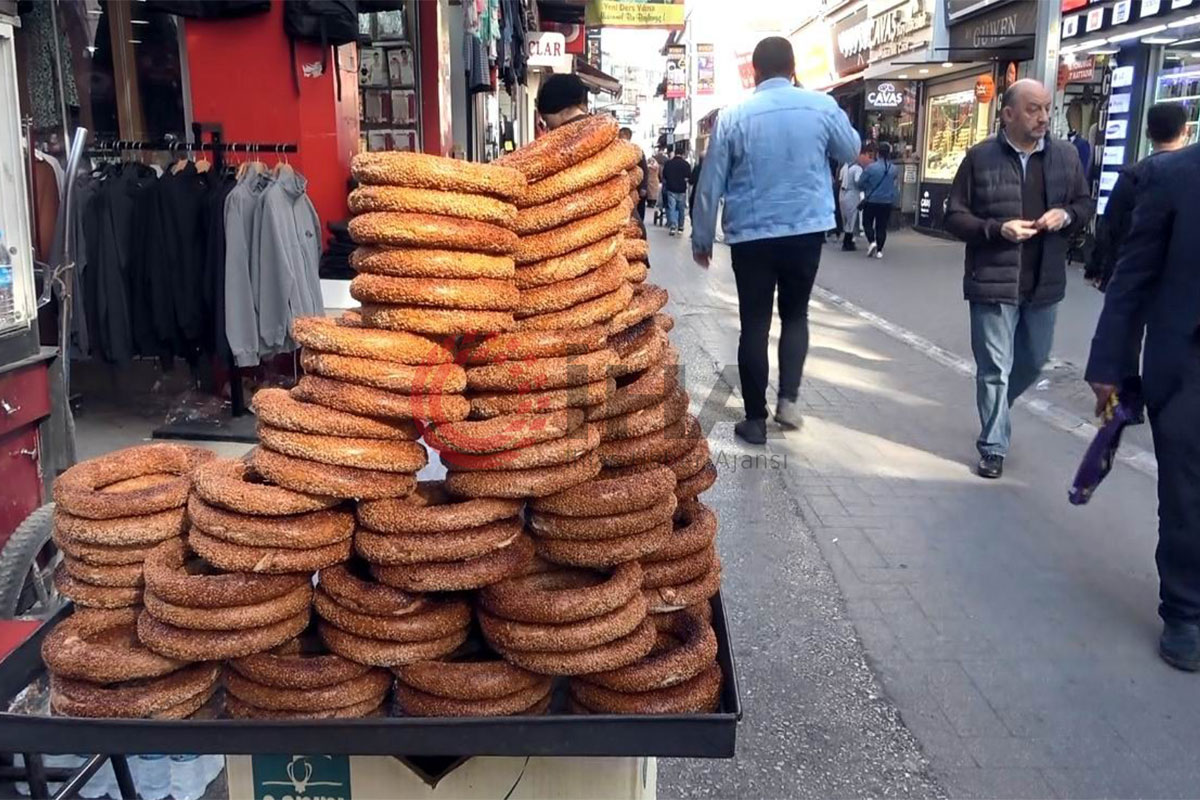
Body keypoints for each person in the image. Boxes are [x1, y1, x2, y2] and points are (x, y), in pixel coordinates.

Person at [691, 36, 860, 444]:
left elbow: (711, 181)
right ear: (793, 67)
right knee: (796, 315)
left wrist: (701, 237)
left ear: (756, 72)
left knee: (754, 322)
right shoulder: (822, 106)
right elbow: (851, 149)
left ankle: (754, 419)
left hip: (751, 235)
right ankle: (788, 402)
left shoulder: (733, 116)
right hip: (805, 231)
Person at [1085, 143, 1200, 672]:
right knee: (1186, 494)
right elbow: (1131, 281)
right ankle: (1185, 610)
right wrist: (1111, 365)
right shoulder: (1172, 177)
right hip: (1187, 368)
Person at [944, 78, 1093, 479]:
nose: (1044, 116)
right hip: (992, 278)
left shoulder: (1065, 156)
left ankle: (994, 407)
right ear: (1008, 114)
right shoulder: (980, 158)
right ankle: (993, 445)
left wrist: (1067, 216)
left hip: (1044, 280)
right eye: (1033, 109)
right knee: (994, 366)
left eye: (1047, 108)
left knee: (1033, 360)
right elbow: (954, 215)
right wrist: (996, 230)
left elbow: (1084, 204)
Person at [1086, 103, 1189, 292]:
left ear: (1148, 133)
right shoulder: (1192, 177)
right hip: (1180, 280)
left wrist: (1096, 267)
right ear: (1186, 131)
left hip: (1131, 272)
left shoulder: (1132, 176)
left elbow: (1108, 226)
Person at [857, 141, 899, 259]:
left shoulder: (871, 168)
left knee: (867, 222)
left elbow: (860, 183)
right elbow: (895, 184)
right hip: (887, 202)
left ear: (878, 153)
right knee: (882, 226)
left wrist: (866, 189)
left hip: (872, 200)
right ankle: (880, 250)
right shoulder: (893, 169)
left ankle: (872, 241)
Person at [838, 145, 869, 251]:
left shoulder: (845, 167)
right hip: (853, 193)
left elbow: (840, 179)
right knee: (851, 219)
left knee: (847, 218)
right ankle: (847, 242)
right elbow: (858, 181)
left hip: (843, 193)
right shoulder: (857, 168)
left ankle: (848, 241)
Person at [619, 126, 649, 220]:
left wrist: (643, 187)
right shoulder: (617, 151)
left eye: (620, 136)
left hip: (636, 187)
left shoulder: (636, 151)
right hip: (622, 187)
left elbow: (644, 169)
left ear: (626, 135)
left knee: (637, 214)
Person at [662, 144, 691, 236]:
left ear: (675, 153)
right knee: (681, 209)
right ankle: (681, 227)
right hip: (681, 190)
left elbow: (664, 176)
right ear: (682, 154)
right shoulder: (686, 164)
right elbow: (688, 178)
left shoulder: (668, 163)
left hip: (671, 189)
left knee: (672, 208)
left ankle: (673, 226)